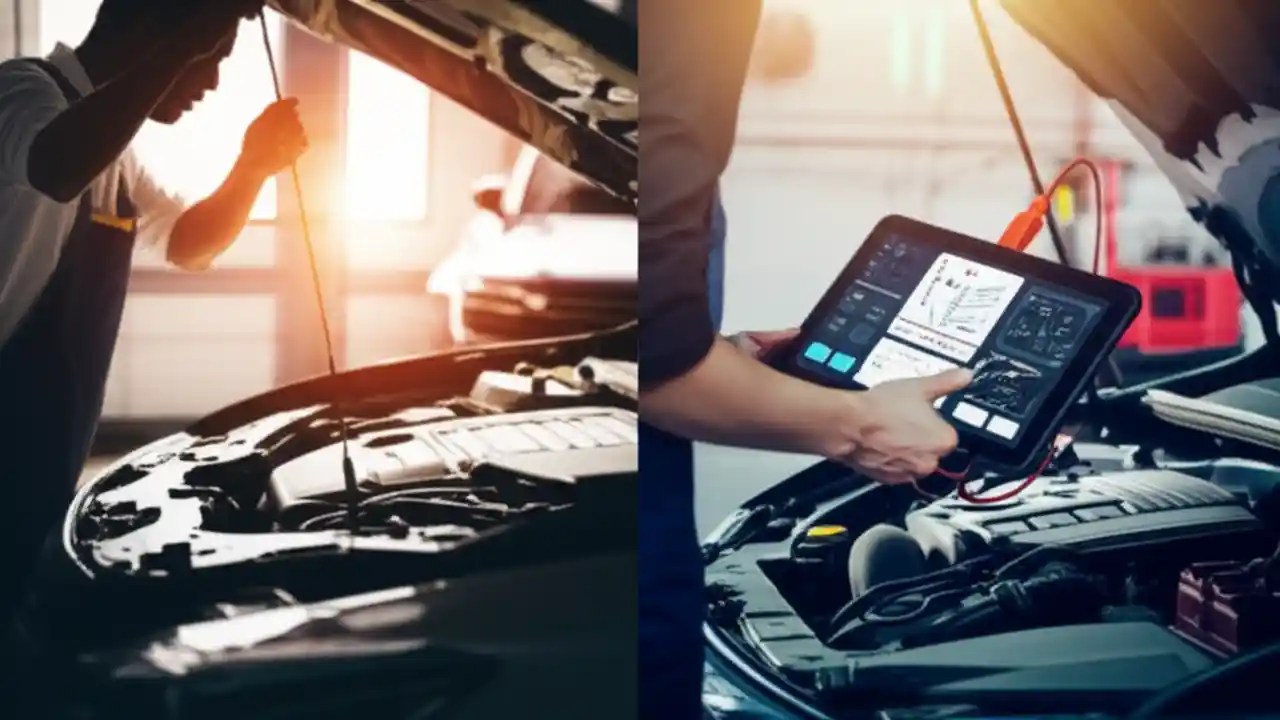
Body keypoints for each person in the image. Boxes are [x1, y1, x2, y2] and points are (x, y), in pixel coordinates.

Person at [638, 1, 973, 717]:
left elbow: (644, 332)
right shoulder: (684, 27)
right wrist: (857, 427)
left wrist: (724, 358)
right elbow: (651, 368)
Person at [0, 0, 307, 623]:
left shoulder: (117, 155)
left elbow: (190, 244)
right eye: (209, 59)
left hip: (38, 453)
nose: (212, 82)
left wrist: (251, 168)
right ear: (156, 31)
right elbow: (56, 166)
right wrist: (184, 44)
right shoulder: (21, 94)